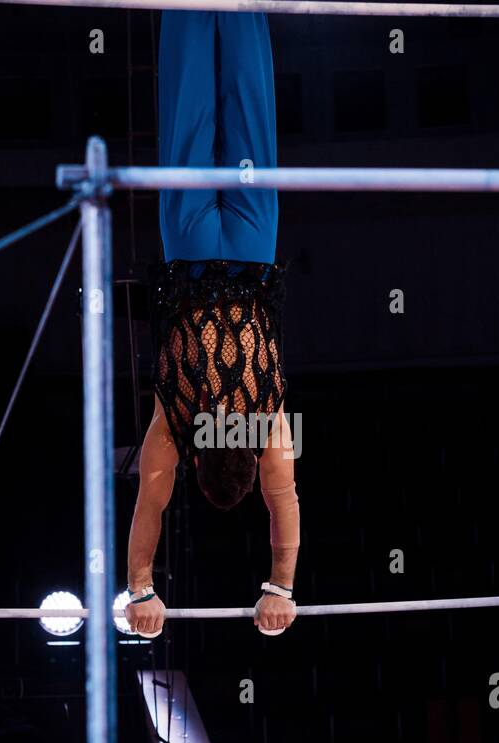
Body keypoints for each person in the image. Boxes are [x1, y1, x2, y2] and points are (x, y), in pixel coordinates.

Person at [124, 10, 299, 639]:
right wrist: (139, 588)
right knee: (190, 119)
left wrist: (281, 586)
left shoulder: (267, 427)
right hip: (193, 250)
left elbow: (285, 509)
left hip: (251, 250)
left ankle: (242, 8)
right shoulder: (175, 427)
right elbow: (151, 503)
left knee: (248, 108)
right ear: (200, 461)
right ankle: (190, 7)